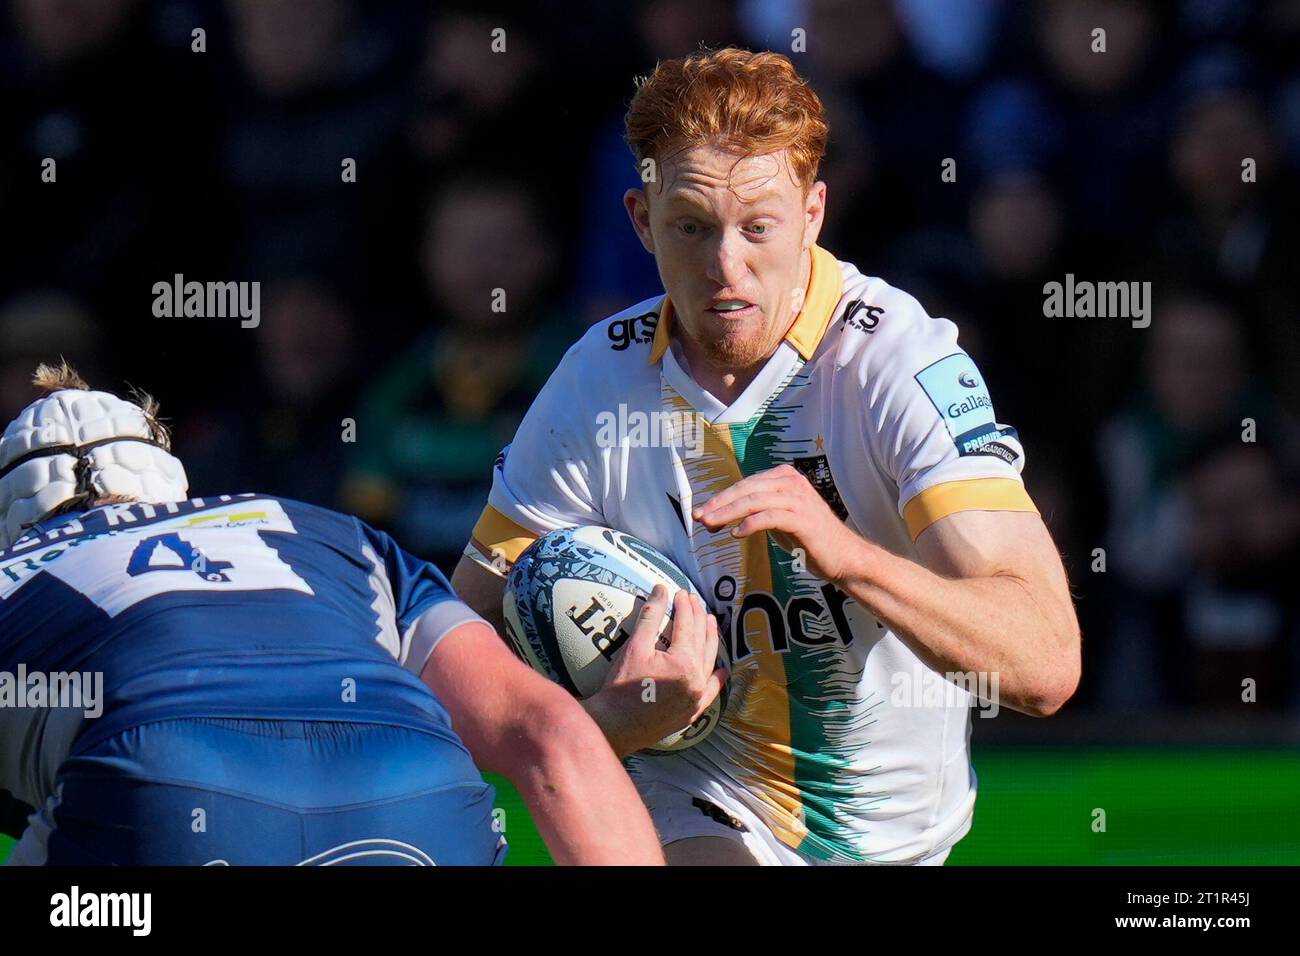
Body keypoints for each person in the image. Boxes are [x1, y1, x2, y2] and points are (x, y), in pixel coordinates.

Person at [451, 49, 1080, 865]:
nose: (726, 267)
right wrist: (602, 730)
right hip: (693, 808)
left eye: (759, 227)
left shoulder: (898, 364)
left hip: (903, 844)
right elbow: (453, 656)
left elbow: (1044, 664)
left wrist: (845, 553)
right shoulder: (595, 383)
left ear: (814, 213)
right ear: (641, 221)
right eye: (691, 227)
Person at [0, 362, 662, 865]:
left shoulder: (11, 579)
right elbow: (546, 728)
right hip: (417, 792)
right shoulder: (329, 532)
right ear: (177, 487)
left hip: (165, 791)